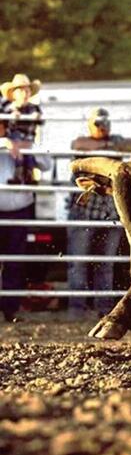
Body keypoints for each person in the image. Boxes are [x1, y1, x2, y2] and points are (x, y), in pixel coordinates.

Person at [66, 107, 131, 319]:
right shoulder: (82, 144)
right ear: (89, 125)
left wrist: (110, 146)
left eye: (104, 123)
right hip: (84, 212)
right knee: (79, 261)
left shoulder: (115, 142)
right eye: (97, 123)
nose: (102, 127)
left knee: (105, 263)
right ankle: (77, 308)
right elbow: (79, 145)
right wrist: (109, 148)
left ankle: (103, 307)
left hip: (109, 213)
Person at [0, 74, 48, 322]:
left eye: (27, 89)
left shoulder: (32, 126)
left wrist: (26, 146)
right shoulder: (4, 132)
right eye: (19, 90)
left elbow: (46, 162)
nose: (24, 93)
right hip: (4, 206)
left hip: (20, 206)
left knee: (16, 260)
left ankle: (10, 308)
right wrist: (6, 141)